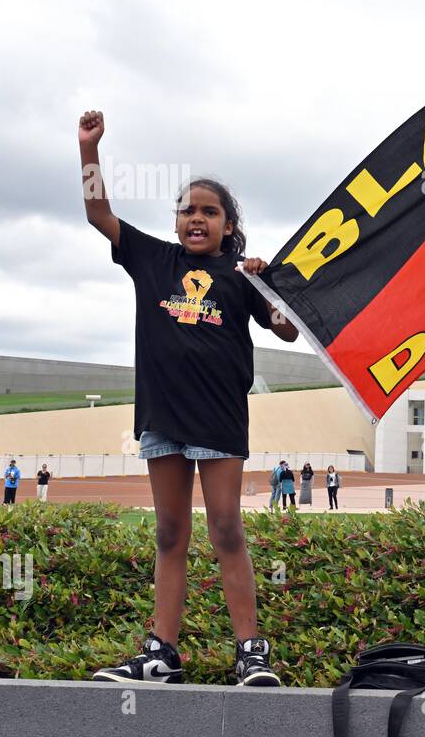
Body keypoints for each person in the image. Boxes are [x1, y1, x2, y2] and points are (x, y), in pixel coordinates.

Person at [79, 109, 298, 687]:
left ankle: (251, 651)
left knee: (226, 527)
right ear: (176, 222)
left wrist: (267, 283)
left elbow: (287, 328)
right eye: (188, 210)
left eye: (210, 211)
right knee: (170, 532)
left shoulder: (241, 275)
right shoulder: (153, 259)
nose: (197, 218)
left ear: (228, 225)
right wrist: (88, 150)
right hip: (162, 420)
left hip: (219, 419)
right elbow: (97, 212)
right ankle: (161, 653)